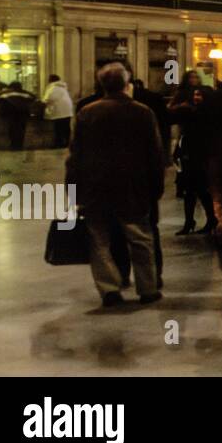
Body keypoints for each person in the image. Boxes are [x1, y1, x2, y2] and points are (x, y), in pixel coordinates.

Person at [65, 63, 165, 308]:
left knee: (99, 241)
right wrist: (156, 185)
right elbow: (155, 153)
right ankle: (148, 288)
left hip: (96, 187)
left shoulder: (87, 112)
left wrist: (72, 189)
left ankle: (109, 289)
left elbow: (75, 155)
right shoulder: (142, 112)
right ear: (126, 83)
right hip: (133, 186)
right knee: (140, 239)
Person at [168, 70, 217, 235]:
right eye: (195, 95)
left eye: (199, 95)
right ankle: (192, 221)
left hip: (199, 154)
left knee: (199, 189)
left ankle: (207, 219)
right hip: (188, 153)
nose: (196, 97)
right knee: (191, 189)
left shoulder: (205, 114)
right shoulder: (189, 109)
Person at [0, 81, 35, 150]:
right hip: (23, 113)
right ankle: (19, 146)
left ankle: (13, 145)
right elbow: (33, 97)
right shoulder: (25, 93)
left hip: (10, 113)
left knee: (12, 129)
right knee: (21, 130)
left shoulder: (5, 93)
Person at [43, 75, 74, 148]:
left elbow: (49, 98)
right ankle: (67, 143)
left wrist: (44, 101)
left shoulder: (53, 87)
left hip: (59, 111)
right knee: (66, 127)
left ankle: (59, 143)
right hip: (67, 110)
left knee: (59, 128)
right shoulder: (62, 87)